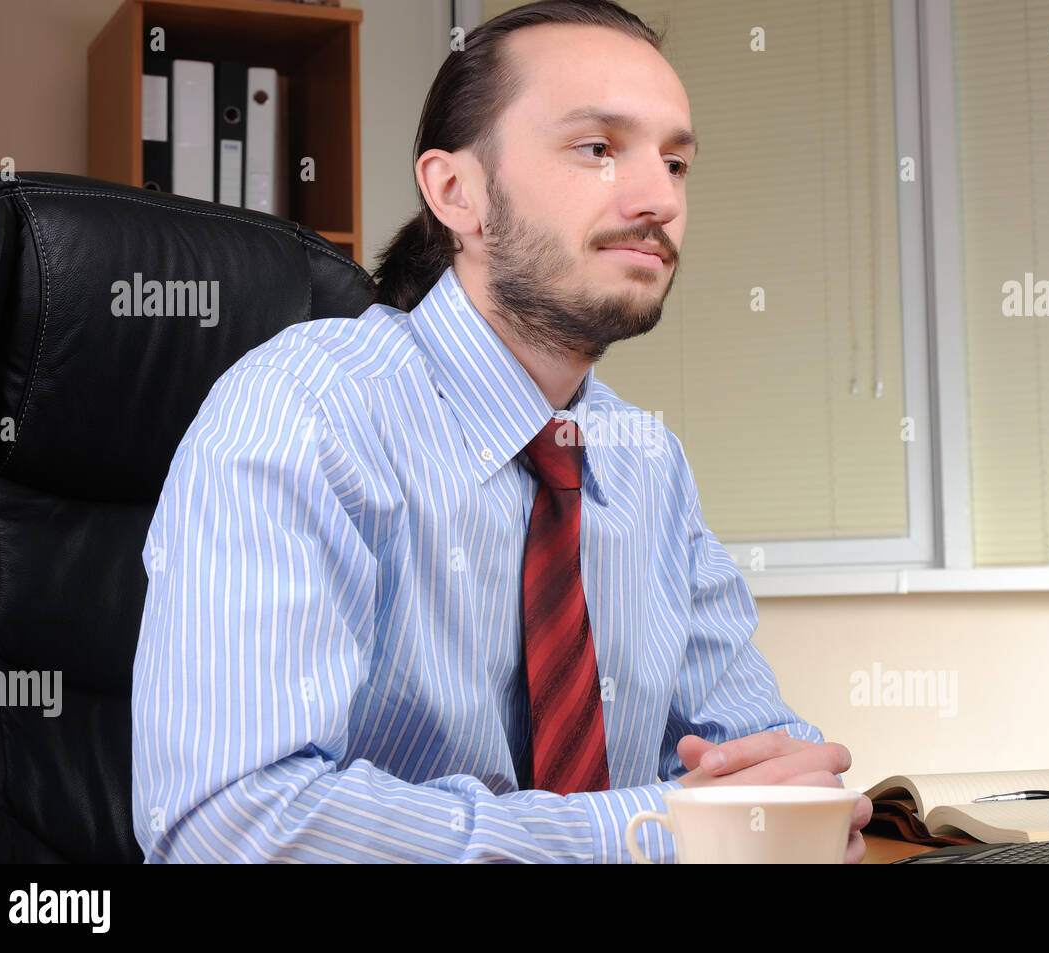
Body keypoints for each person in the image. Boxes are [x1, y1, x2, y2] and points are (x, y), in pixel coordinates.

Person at [132, 0, 872, 863]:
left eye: (676, 161)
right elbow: (233, 826)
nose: (658, 198)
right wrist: (656, 833)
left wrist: (800, 813)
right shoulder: (306, 410)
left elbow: (766, 759)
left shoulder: (650, 465)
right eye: (598, 148)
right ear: (457, 192)